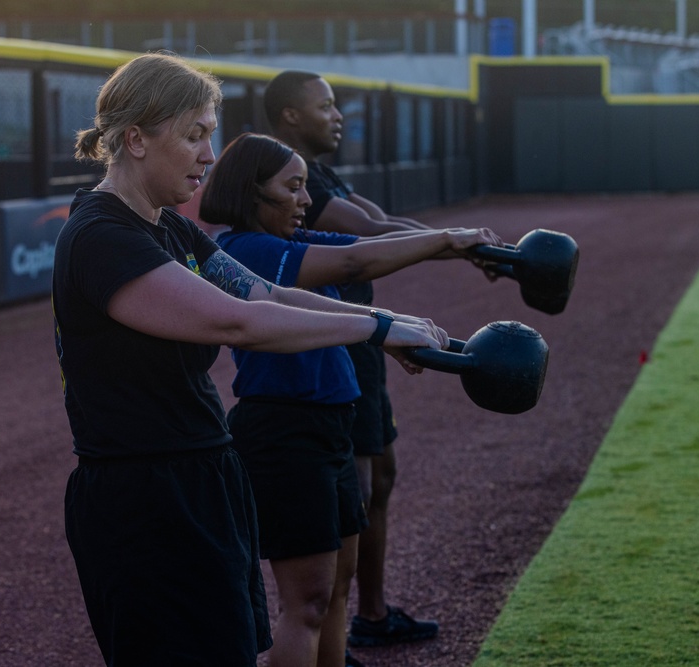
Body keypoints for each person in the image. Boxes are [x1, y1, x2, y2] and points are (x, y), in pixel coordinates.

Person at [51, 53, 448, 667]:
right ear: (134, 139)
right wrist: (374, 330)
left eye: (210, 135)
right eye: (194, 136)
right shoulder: (102, 236)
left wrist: (385, 325)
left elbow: (263, 292)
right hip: (144, 495)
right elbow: (235, 319)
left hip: (205, 474)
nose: (210, 156)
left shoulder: (169, 229)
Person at [198, 132, 501, 667]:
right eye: (291, 188)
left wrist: (405, 331)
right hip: (285, 433)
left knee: (335, 590)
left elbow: (365, 257)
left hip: (328, 427)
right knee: (307, 604)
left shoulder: (289, 244)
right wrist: (449, 239)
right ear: (253, 192)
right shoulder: (248, 250)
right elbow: (354, 263)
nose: (304, 199)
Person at [262, 69, 450, 651]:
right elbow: (365, 243)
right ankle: (338, 641)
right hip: (338, 345)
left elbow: (384, 228)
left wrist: (465, 244)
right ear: (291, 116)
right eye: (326, 105)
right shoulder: (290, 181)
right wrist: (456, 243)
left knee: (374, 480)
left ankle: (359, 621)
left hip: (359, 340)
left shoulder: (317, 174)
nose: (338, 114)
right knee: (353, 497)